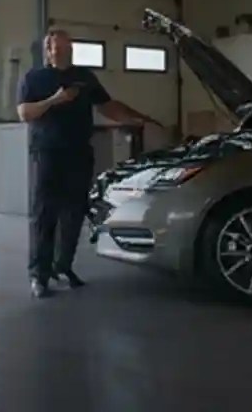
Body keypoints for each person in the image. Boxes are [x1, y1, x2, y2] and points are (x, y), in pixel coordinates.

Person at [17, 28, 160, 299]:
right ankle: (39, 274)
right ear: (47, 51)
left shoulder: (84, 77)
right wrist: (55, 99)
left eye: (67, 48)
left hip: (79, 153)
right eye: (57, 48)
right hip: (48, 153)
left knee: (74, 213)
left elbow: (107, 105)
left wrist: (135, 118)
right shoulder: (34, 78)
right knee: (45, 215)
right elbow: (25, 112)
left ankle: (64, 267)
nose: (62, 52)